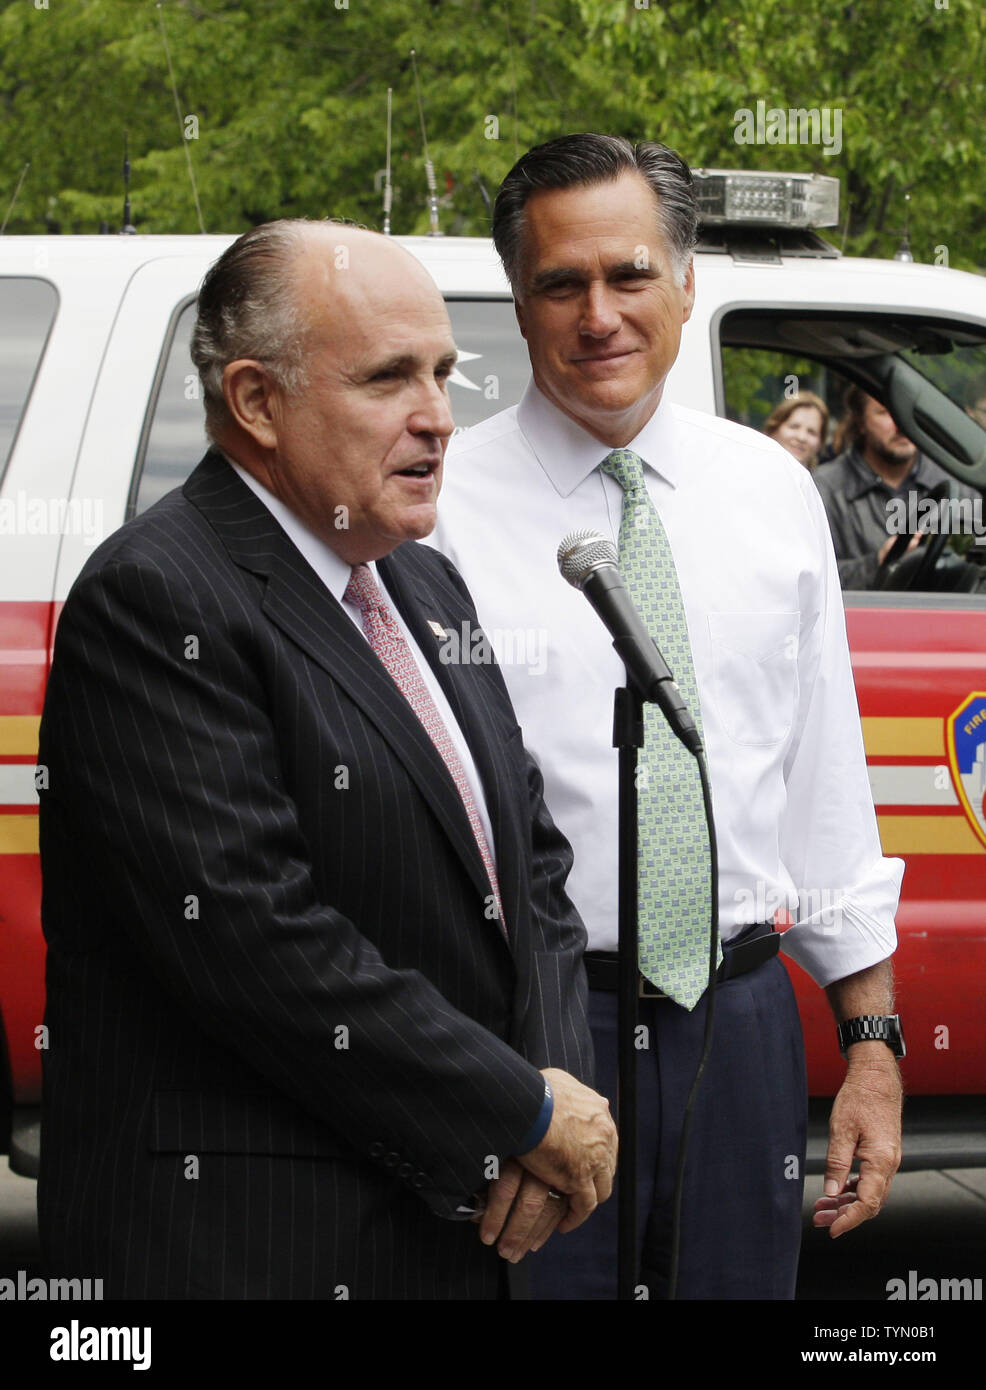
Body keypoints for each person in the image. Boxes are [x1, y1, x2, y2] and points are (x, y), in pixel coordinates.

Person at [36, 219, 617, 1300]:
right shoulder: (157, 598)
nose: (438, 417)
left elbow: (527, 868)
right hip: (250, 1243)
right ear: (256, 401)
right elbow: (257, 940)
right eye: (388, 377)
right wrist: (519, 1110)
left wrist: (547, 1093)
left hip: (455, 1226)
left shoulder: (423, 583)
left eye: (444, 374)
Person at [430, 134, 905, 1300]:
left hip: (738, 1026)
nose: (600, 314)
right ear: (519, 301)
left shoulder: (771, 493)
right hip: (526, 1038)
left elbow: (822, 794)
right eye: (561, 282)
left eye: (631, 274)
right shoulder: (431, 512)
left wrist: (870, 1048)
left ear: (686, 282)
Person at [814, 386, 974, 589]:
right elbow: (812, 581)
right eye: (885, 412)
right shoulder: (824, 489)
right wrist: (878, 562)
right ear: (861, 422)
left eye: (908, 412)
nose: (901, 425)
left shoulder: (957, 485)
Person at [763, 390, 829, 470]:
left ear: (821, 442)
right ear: (774, 428)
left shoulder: (821, 481)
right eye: (794, 427)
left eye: (812, 432)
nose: (801, 437)